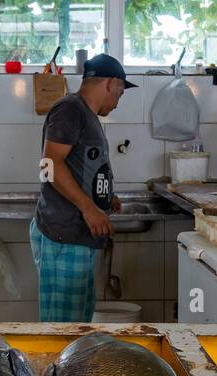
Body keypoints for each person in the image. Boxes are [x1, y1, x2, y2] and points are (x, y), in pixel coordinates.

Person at [30, 53, 136, 323]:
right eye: (120, 94)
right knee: (62, 330)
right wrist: (89, 208)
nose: (117, 102)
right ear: (111, 83)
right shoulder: (70, 109)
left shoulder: (85, 115)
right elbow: (48, 165)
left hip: (77, 235)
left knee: (76, 324)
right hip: (65, 236)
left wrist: (104, 197)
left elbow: (79, 165)